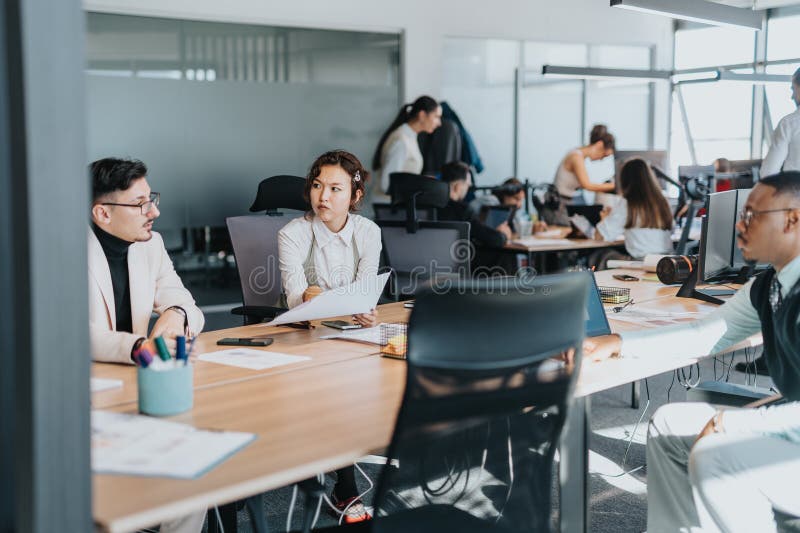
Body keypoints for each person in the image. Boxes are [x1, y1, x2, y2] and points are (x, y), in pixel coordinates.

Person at [586, 172, 800, 533]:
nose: (739, 225)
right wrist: (619, 343)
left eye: (751, 215)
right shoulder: (768, 286)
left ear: (792, 219)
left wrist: (735, 423)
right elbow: (702, 336)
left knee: (716, 454)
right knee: (670, 424)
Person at [89, 158, 206, 533]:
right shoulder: (61, 250)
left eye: (151, 198)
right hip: (87, 396)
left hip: (139, 388)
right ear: (103, 213)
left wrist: (175, 315)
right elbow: (71, 333)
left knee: (192, 475)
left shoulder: (150, 244)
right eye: (140, 204)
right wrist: (141, 347)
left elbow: (187, 304)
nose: (154, 212)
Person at [277, 149, 380, 523]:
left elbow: (366, 290)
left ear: (355, 195)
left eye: (336, 188)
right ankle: (345, 486)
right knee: (336, 381)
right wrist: (318, 300)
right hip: (300, 334)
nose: (323, 196)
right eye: (318, 186)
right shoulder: (292, 234)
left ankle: (339, 470)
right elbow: (295, 297)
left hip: (347, 332)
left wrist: (364, 308)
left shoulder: (368, 232)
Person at [594, 158, 674, 259]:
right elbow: (672, 230)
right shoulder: (663, 200)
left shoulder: (628, 203)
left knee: (599, 255)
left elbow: (599, 236)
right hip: (668, 261)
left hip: (642, 263)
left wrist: (605, 218)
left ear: (625, 180)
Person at [371, 95, 442, 202]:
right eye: (436, 116)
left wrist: (422, 182)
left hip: (395, 205)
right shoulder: (402, 141)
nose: (439, 123)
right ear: (422, 115)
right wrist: (421, 185)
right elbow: (386, 184)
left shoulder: (410, 137)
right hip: (388, 206)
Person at [437, 161, 511, 249]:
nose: (467, 189)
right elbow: (491, 239)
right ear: (457, 186)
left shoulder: (429, 207)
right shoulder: (462, 210)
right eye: (467, 185)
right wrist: (503, 235)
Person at [554, 124, 617, 204]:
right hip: (560, 203)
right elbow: (588, 186)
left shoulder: (577, 154)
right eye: (604, 155)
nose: (601, 159)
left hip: (565, 200)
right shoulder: (576, 157)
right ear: (599, 145)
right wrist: (616, 185)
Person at [761, 67, 800, 177]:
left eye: (793, 89)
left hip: (794, 187)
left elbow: (768, 173)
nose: (792, 97)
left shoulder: (788, 123)